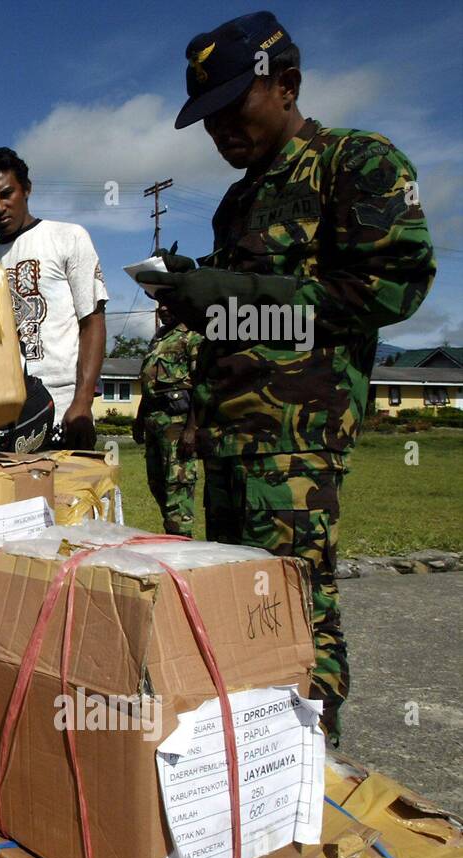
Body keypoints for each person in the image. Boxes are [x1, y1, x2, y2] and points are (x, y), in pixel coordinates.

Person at [137, 11, 436, 742]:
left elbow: (390, 290)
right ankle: (245, 763)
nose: (219, 133)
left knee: (296, 605)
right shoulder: (237, 202)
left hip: (294, 441)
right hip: (229, 439)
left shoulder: (355, 162)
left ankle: (311, 754)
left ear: (287, 85)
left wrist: (231, 294)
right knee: (236, 608)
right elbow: (244, 324)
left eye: (231, 109)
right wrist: (195, 294)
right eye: (206, 121)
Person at [0, 147, 108, 450]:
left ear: (26, 189)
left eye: (7, 194)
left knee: (69, 496)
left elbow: (92, 321)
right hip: (12, 414)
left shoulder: (68, 237)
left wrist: (83, 401)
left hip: (66, 410)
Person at [135, 305, 201, 536]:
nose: (163, 308)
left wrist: (192, 429)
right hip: (154, 421)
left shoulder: (191, 336)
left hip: (178, 423)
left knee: (178, 482)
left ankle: (181, 535)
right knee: (157, 483)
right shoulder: (159, 338)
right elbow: (149, 384)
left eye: (168, 303)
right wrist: (139, 420)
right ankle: (171, 532)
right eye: (159, 303)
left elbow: (201, 386)